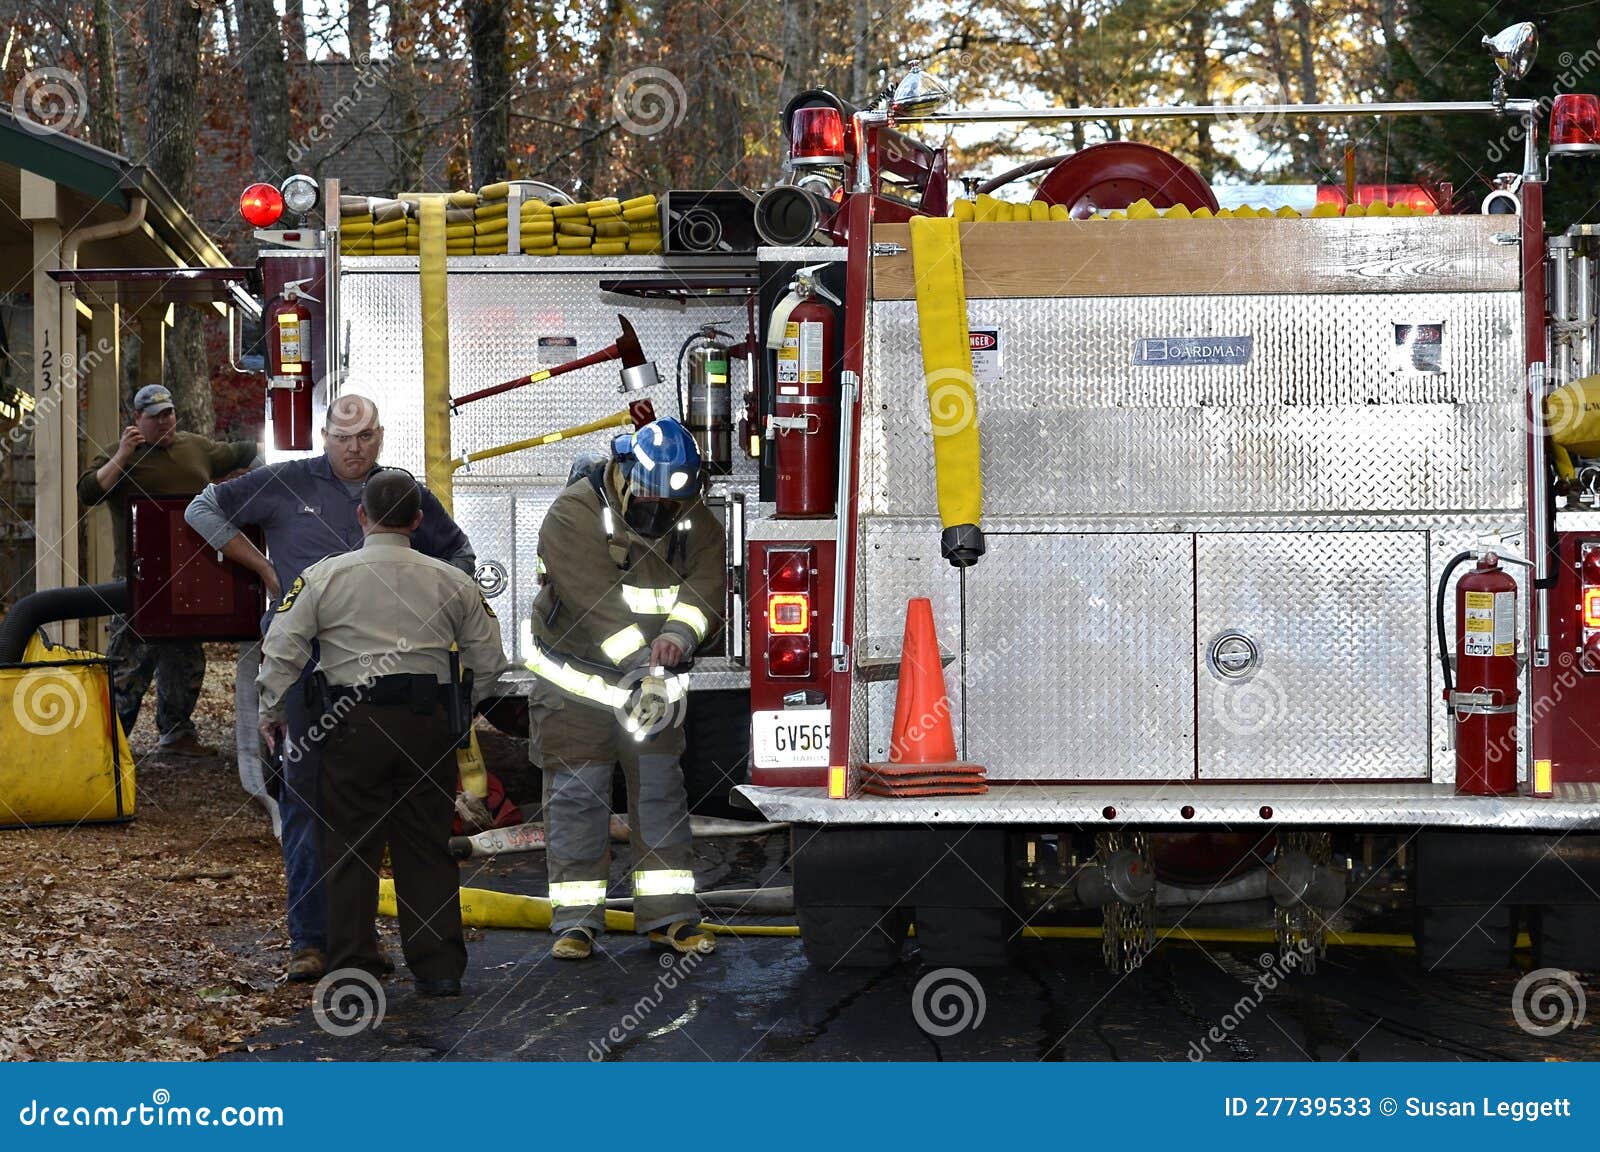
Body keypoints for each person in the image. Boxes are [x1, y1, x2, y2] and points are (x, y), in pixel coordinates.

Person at [186, 393, 477, 982]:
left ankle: (368, 951)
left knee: (390, 821)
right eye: (343, 438)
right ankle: (313, 942)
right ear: (323, 437)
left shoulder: (403, 494)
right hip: (304, 674)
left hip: (385, 682)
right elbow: (202, 508)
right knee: (304, 806)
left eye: (365, 437)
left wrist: (431, 617)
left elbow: (460, 555)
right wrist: (266, 570)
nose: (354, 448)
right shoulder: (286, 481)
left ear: (381, 436)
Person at [257, 469, 508, 998]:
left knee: (348, 845)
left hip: (349, 725)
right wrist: (460, 709)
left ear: (361, 517)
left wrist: (272, 710)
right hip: (426, 725)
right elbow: (491, 663)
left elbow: (282, 648)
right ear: (417, 521)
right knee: (426, 845)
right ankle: (439, 969)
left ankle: (353, 965)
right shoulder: (453, 581)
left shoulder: (324, 577)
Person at [527, 417, 724, 961]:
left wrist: (680, 635)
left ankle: (670, 917)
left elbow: (707, 585)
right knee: (577, 798)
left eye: (671, 501)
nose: (658, 510)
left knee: (660, 794)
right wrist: (643, 659)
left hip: (651, 687)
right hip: (576, 688)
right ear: (626, 473)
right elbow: (595, 603)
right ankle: (576, 921)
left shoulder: (694, 518)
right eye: (650, 497)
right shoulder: (574, 514)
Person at [77, 384, 258, 757]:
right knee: (129, 662)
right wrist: (124, 455)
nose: (165, 422)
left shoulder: (197, 448)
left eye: (169, 413)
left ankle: (177, 733)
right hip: (136, 578)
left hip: (189, 575)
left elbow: (246, 453)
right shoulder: (121, 454)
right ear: (137, 420)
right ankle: (108, 745)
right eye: (156, 416)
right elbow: (89, 492)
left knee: (186, 655)